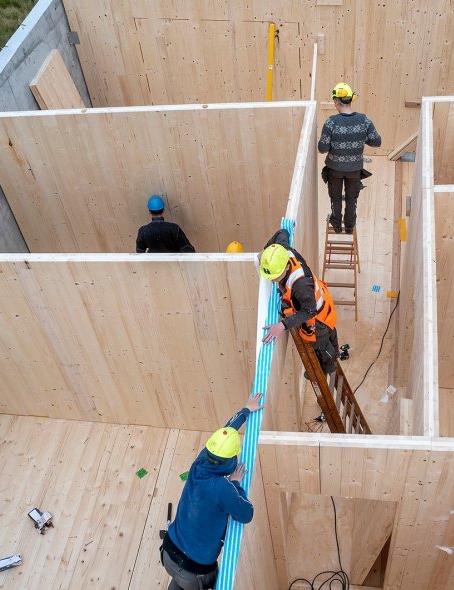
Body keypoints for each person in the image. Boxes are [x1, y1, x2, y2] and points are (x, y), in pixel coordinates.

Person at [160, 393, 264, 590]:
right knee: (195, 582)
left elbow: (225, 431)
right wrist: (235, 484)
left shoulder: (200, 462)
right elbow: (246, 514)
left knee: (180, 582)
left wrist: (245, 410)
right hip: (195, 572)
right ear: (230, 461)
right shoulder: (223, 489)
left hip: (168, 553)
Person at [259, 229, 338, 378]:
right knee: (325, 342)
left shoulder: (300, 285)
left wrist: (282, 325)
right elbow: (282, 233)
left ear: (287, 267)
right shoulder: (283, 251)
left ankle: (327, 366)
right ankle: (327, 357)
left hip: (319, 320)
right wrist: (265, 254)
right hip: (316, 301)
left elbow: (309, 311)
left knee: (320, 347)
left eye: (276, 277)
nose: (272, 281)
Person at [318, 82, 382, 234]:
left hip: (334, 169)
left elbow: (322, 148)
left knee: (336, 197)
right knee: (352, 197)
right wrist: (360, 138)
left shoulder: (331, 122)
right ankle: (349, 226)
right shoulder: (364, 120)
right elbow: (376, 142)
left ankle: (336, 225)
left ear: (336, 101)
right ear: (351, 99)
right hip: (354, 169)